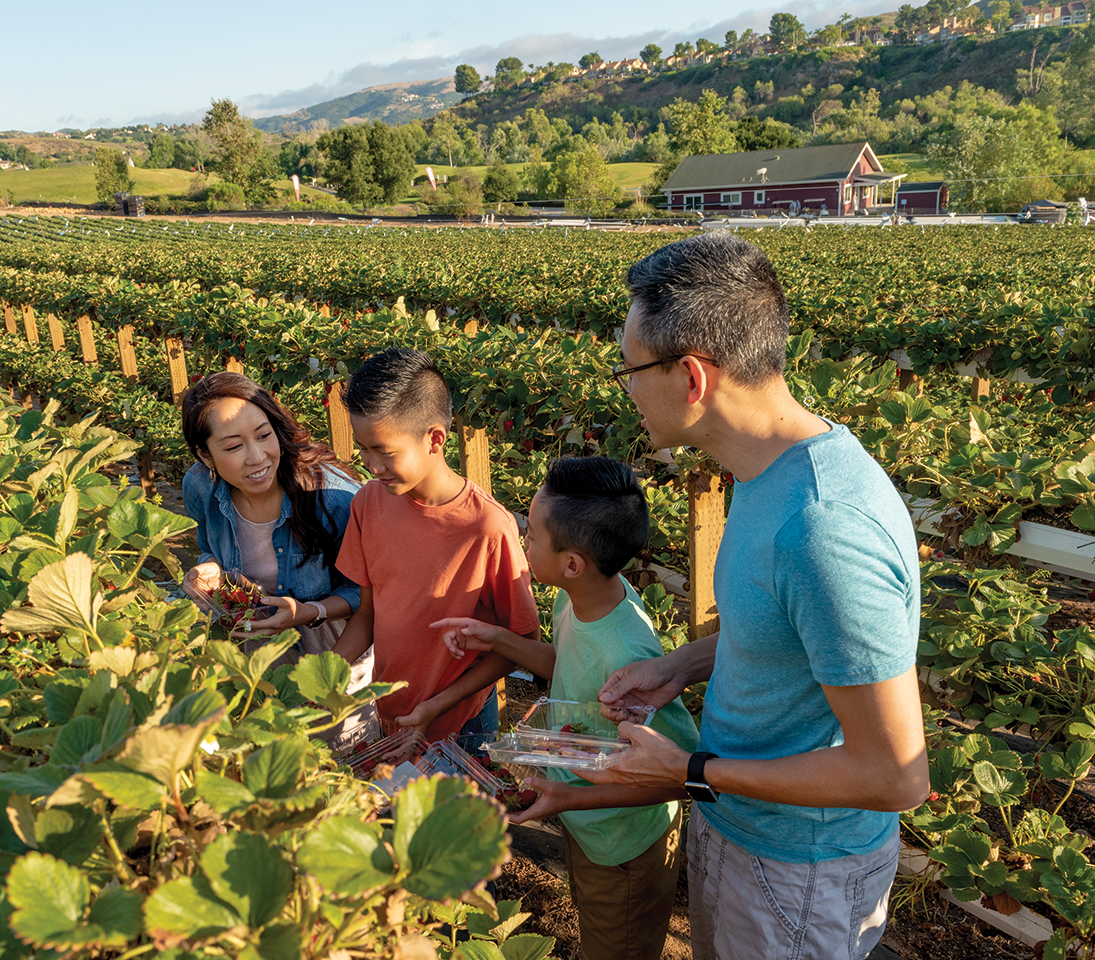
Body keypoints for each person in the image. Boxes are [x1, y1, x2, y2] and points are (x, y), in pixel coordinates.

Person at [587, 233, 929, 960]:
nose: (625, 387)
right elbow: (789, 633)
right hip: (744, 827)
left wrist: (686, 772)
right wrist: (682, 666)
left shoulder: (824, 528)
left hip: (796, 871)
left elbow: (895, 775)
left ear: (692, 377)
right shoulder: (765, 471)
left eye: (630, 368)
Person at [432, 456, 697, 960]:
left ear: (572, 562)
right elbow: (565, 664)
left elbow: (676, 775)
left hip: (622, 846)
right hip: (589, 826)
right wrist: (498, 638)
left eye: (530, 533)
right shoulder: (581, 597)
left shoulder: (628, 652)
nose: (522, 539)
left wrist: (568, 800)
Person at [329, 347, 540, 747]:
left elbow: (522, 645)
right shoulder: (367, 504)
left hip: (462, 722)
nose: (372, 466)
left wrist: (436, 707)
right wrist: (326, 674)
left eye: (385, 452)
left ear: (435, 440)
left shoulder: (488, 527)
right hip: (392, 711)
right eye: (364, 449)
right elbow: (368, 615)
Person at [178, 372, 375, 738]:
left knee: (338, 772)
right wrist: (208, 567)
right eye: (234, 447)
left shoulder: (332, 498)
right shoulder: (200, 487)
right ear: (205, 455)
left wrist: (308, 612)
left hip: (331, 655)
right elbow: (209, 545)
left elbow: (369, 594)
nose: (257, 457)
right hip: (255, 651)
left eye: (264, 436)